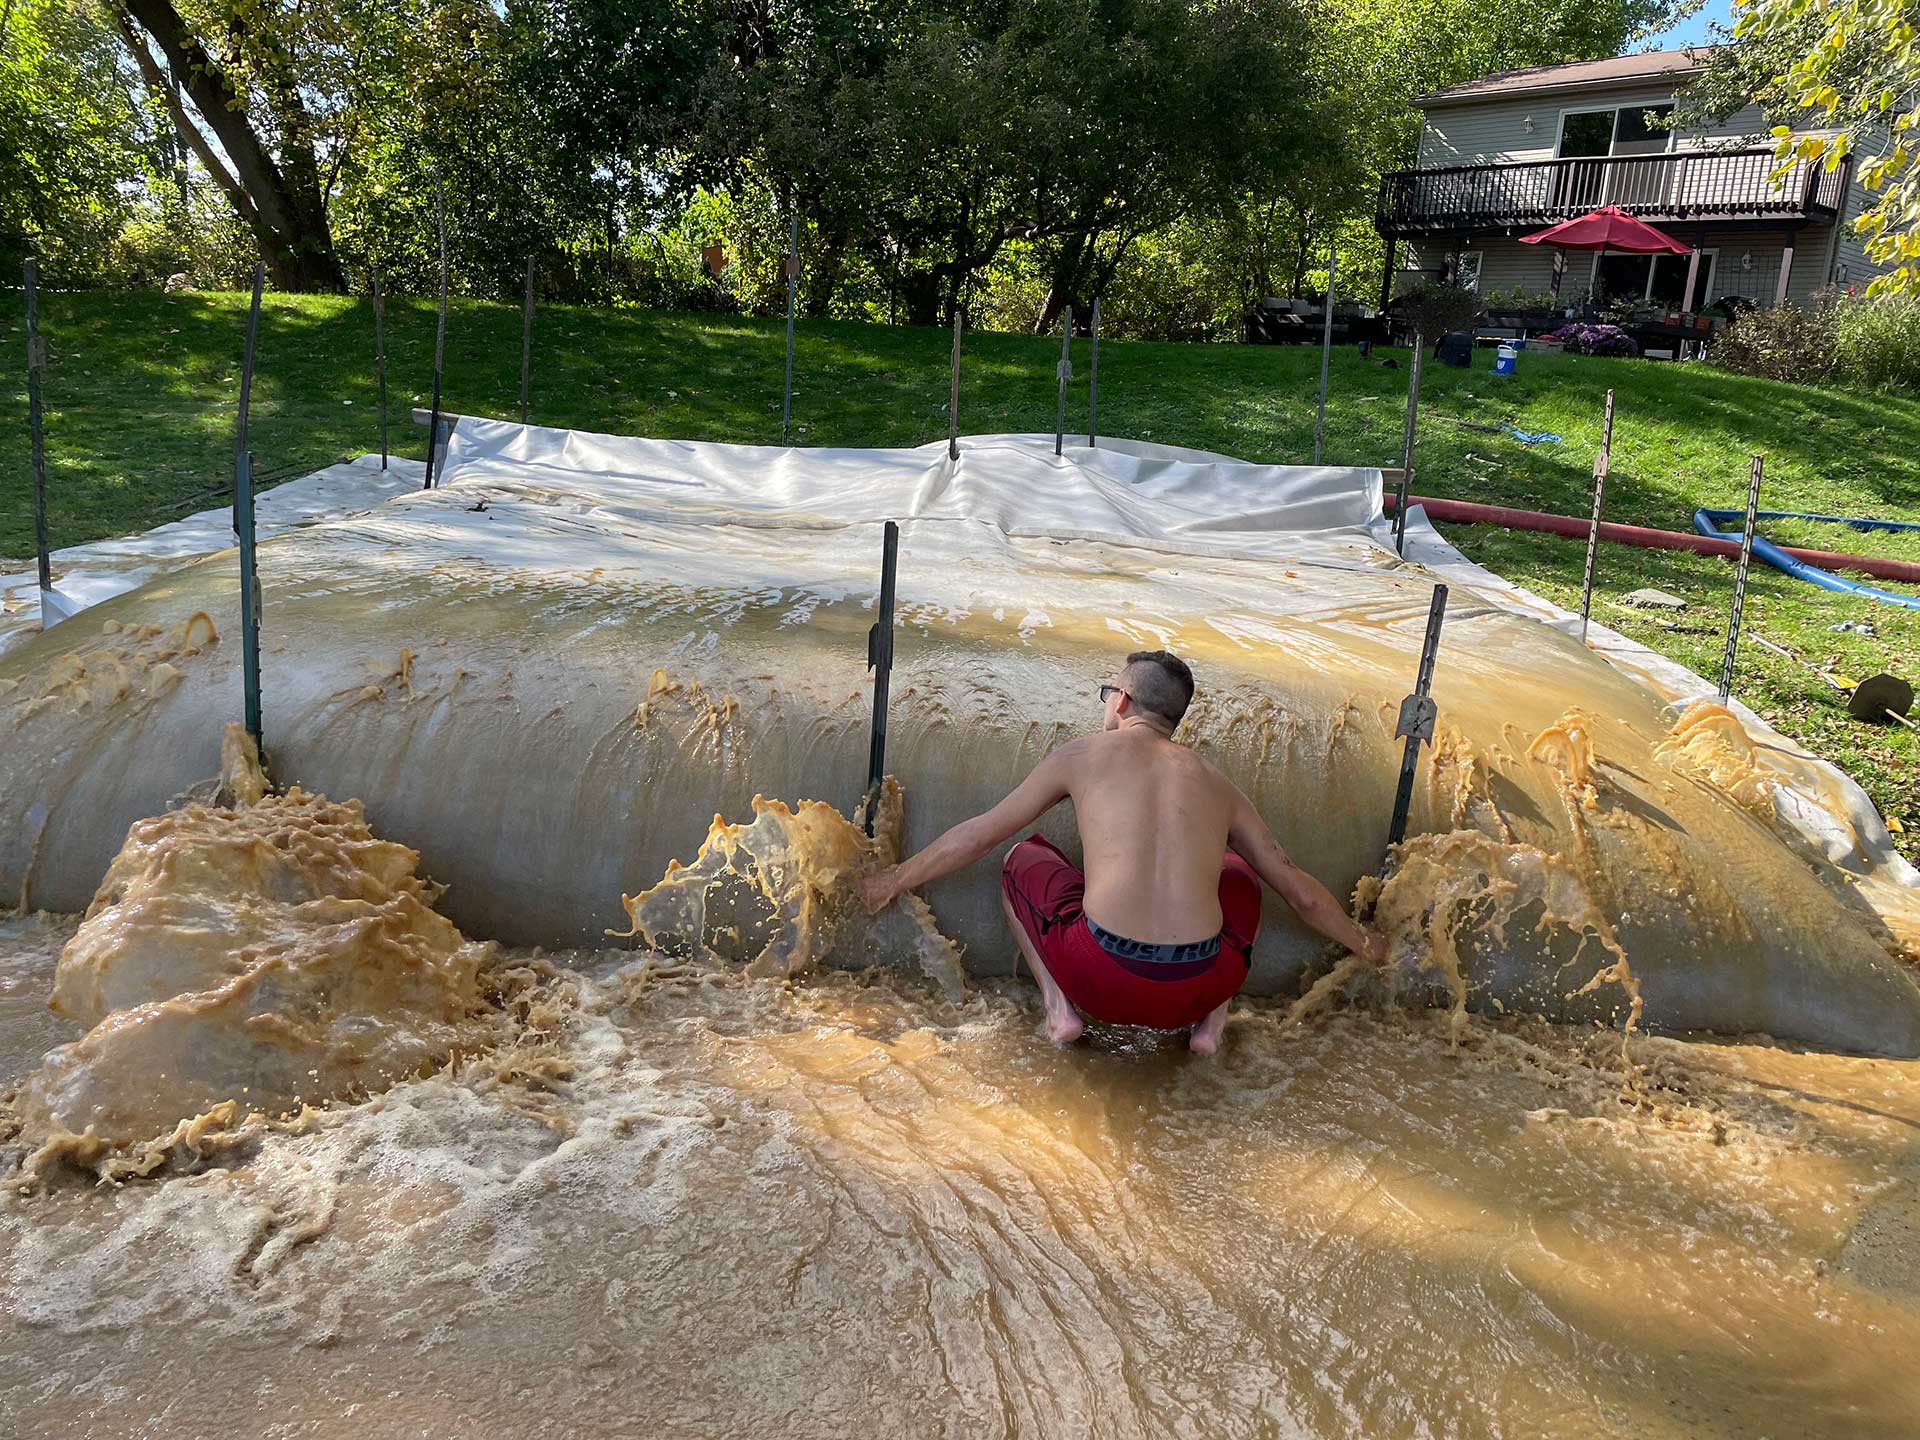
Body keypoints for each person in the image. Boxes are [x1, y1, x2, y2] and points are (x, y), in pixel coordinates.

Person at [858, 650, 1386, 1054]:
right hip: (1199, 984)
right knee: (1242, 876)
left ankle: (1059, 1011)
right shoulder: (1218, 784)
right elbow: (1302, 895)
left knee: (1022, 857)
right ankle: (1211, 1026)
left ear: (1123, 702)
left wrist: (891, 881)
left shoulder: (1081, 754)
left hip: (1102, 977)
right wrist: (1367, 946)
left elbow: (981, 834)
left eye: (1108, 691)